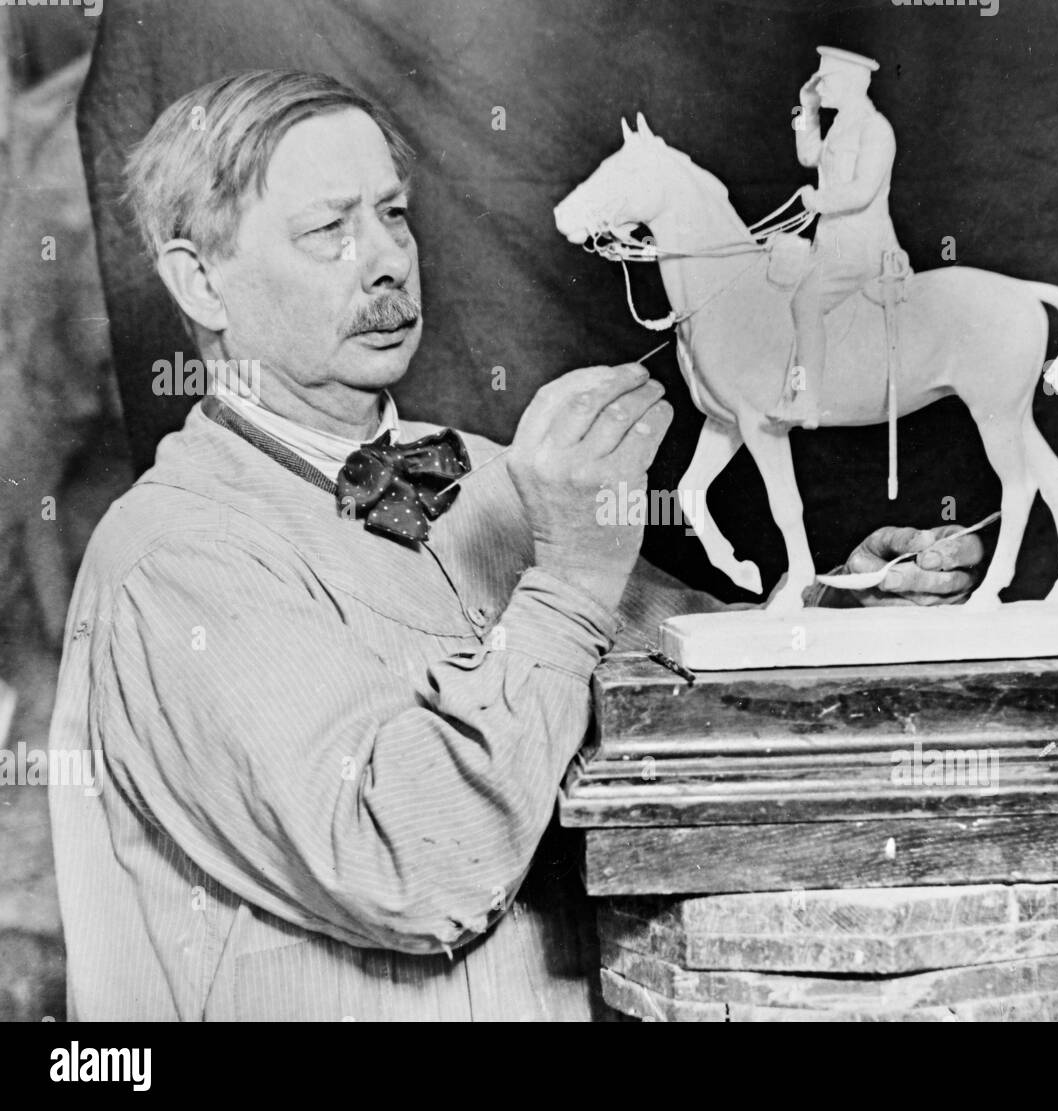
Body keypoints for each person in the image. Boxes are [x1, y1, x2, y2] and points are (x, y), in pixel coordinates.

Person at [48, 70, 982, 1021]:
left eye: (394, 216)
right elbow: (413, 867)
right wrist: (572, 578)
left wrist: (842, 605)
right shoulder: (176, 560)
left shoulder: (486, 476)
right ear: (199, 280)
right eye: (328, 230)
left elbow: (697, 684)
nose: (385, 262)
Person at [769, 47, 907, 430]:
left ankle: (808, 402)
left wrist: (818, 200)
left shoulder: (875, 128)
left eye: (825, 80)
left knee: (805, 298)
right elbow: (807, 156)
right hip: (832, 245)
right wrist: (807, 111)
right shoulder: (842, 125)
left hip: (865, 248)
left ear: (850, 83)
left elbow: (863, 192)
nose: (819, 85)